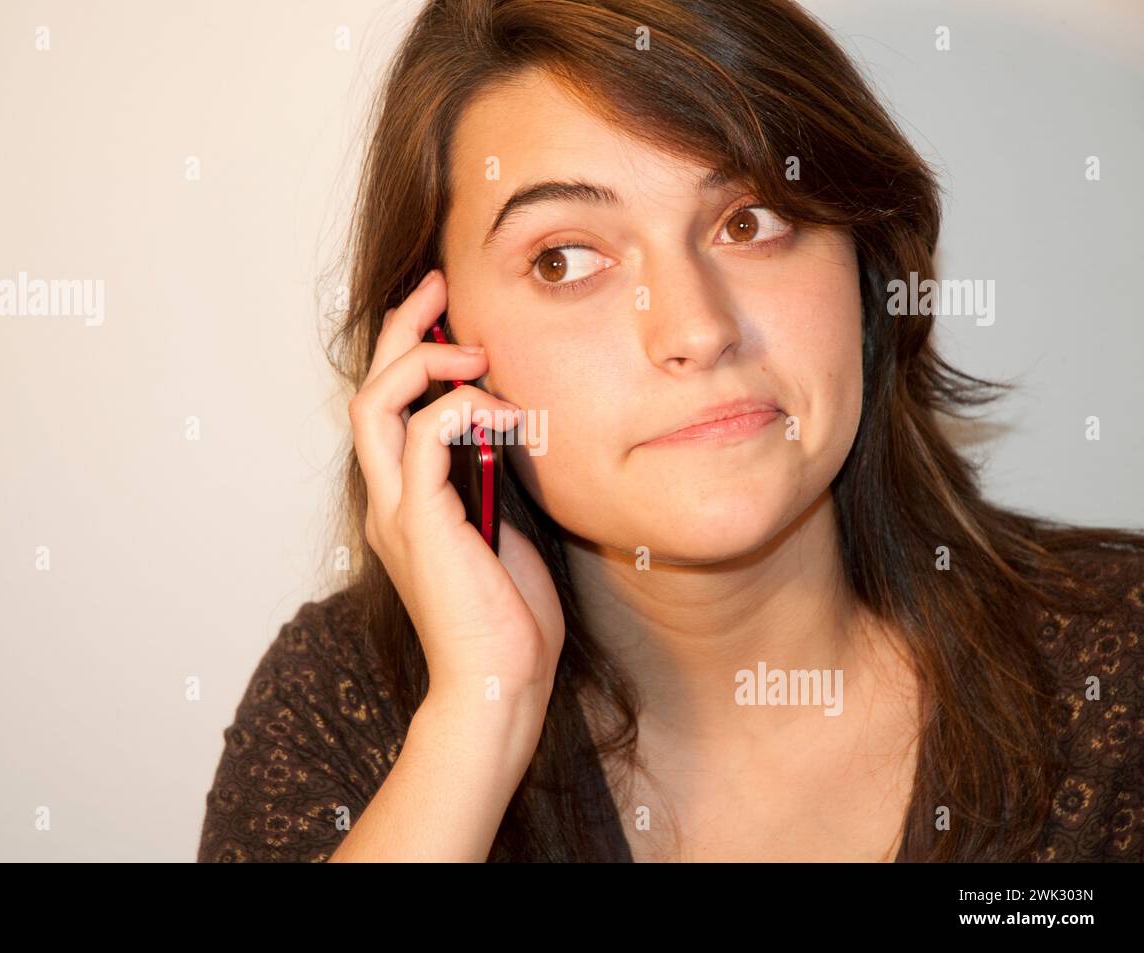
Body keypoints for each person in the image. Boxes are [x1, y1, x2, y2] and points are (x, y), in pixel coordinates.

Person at [198, 0, 1144, 862]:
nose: (696, 328)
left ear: (865, 270)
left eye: (750, 220)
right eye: (565, 259)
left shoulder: (1119, 676)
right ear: (441, 351)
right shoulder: (343, 707)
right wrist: (481, 714)